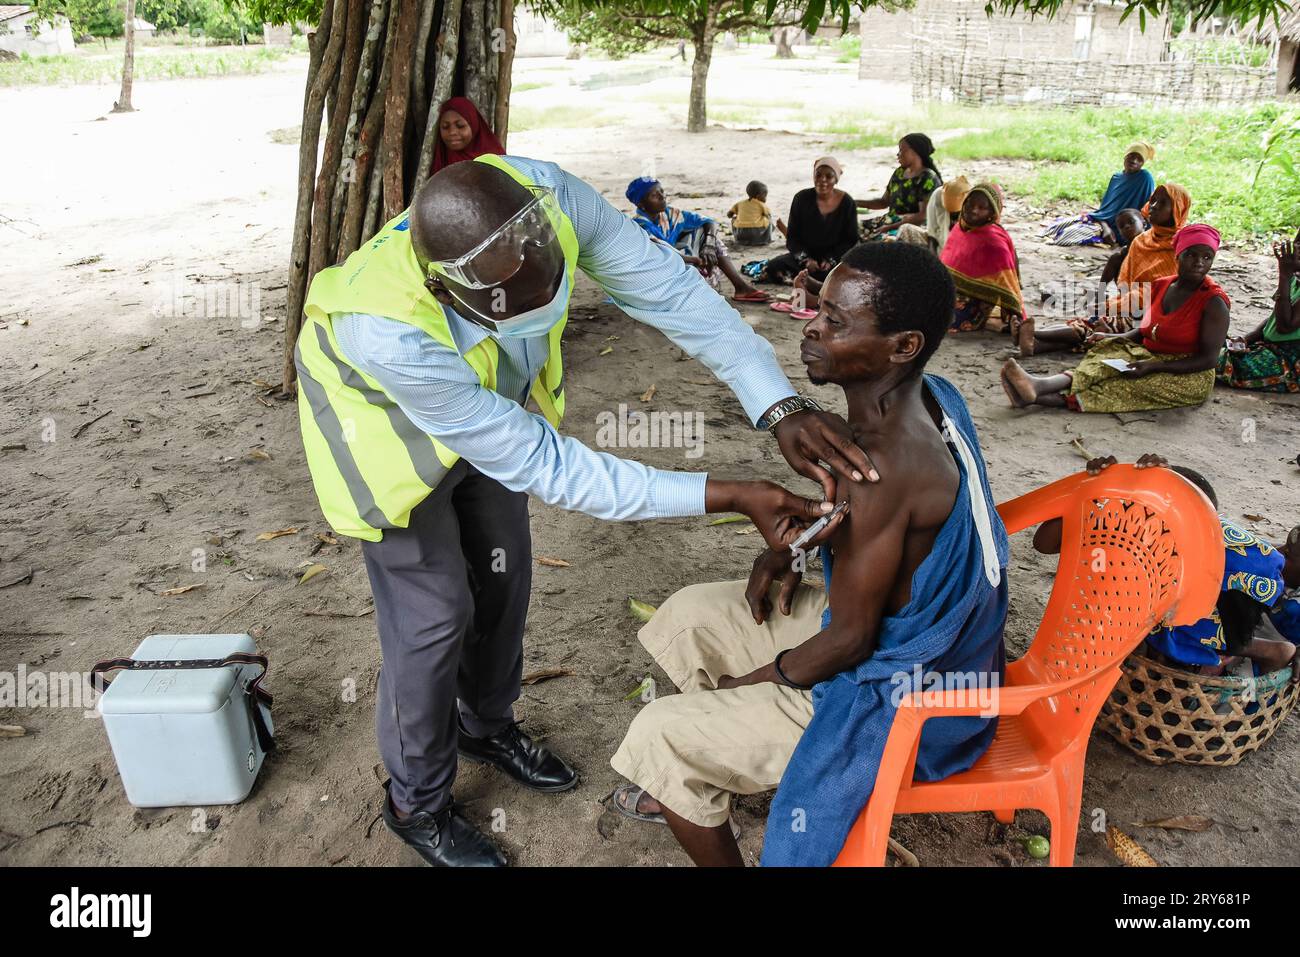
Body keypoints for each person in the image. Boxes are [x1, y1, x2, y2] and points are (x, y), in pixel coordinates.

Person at [295, 152, 880, 867]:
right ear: (452, 292)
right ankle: (416, 800)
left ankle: (485, 723)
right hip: (384, 427)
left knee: (505, 571)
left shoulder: (555, 199)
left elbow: (672, 293)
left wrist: (776, 401)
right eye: (517, 307)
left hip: (489, 409)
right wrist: (728, 493)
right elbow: (552, 467)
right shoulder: (385, 331)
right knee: (434, 614)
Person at [607, 242, 1008, 867]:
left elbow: (849, 643)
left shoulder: (885, 461)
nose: (812, 328)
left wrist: (753, 683)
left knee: (659, 733)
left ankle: (696, 760)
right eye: (819, 307)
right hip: (928, 645)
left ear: (903, 346)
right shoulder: (934, 396)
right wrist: (799, 550)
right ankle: (724, 760)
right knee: (690, 614)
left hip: (911, 702)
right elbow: (900, 539)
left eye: (837, 323)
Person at [1033, 454, 1299, 680]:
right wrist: (1095, 489)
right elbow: (1043, 542)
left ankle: (1246, 652)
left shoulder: (1212, 562)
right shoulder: (1119, 523)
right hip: (1156, 611)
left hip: (1196, 622)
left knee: (1176, 632)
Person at [1001, 223, 1228, 414]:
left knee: (1127, 385)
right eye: (1192, 255)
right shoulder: (1163, 285)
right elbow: (1146, 329)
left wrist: (1154, 367)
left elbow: (1208, 360)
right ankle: (1038, 387)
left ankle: (1036, 395)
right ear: (1178, 255)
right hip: (1152, 354)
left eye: (1207, 257)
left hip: (1188, 373)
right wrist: (1114, 337)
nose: (1199, 262)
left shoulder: (1213, 302)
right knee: (1103, 357)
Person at [1029, 183, 1191, 355]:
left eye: (1163, 203)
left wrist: (1117, 305)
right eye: (1153, 201)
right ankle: (1035, 345)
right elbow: (1126, 283)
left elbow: (1169, 293)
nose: (1154, 206)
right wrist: (1118, 303)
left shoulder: (1183, 247)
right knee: (1097, 323)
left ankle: (1033, 334)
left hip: (1157, 315)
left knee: (1095, 324)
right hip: (1131, 305)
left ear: (1178, 208)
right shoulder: (1141, 241)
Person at [626, 176, 770, 302]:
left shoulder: (669, 214)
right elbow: (662, 257)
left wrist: (709, 244)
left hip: (676, 261)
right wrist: (695, 260)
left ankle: (741, 288)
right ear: (641, 204)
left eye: (662, 192)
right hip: (654, 276)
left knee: (704, 233)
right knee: (687, 265)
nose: (662, 197)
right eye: (654, 195)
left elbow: (709, 222)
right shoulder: (640, 226)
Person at [939, 182, 1026, 345]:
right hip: (949, 291)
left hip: (972, 305)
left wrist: (1016, 313)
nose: (974, 210)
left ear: (991, 213)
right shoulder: (960, 228)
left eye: (981, 207)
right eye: (970, 204)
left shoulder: (993, 242)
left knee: (934, 316)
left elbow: (1008, 284)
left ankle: (1013, 327)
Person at [1218, 226, 1300, 393]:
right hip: (1271, 347)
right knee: (1217, 341)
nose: (1297, 250)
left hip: (1290, 362)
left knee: (1217, 360)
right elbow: (1273, 319)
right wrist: (1246, 339)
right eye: (1298, 243)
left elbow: (1285, 326)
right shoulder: (1295, 278)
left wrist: (1284, 275)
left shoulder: (1289, 276)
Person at [761, 156, 859, 285]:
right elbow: (793, 238)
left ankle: (811, 280)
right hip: (806, 257)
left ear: (836, 179)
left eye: (829, 176)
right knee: (773, 267)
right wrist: (806, 260)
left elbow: (850, 240)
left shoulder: (847, 202)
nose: (822, 180)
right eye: (818, 175)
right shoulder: (801, 198)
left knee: (847, 273)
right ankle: (815, 281)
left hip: (834, 259)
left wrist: (830, 260)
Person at [1042, 142, 1157, 247]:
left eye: (1139, 159)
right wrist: (1105, 227)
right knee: (1058, 226)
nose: (1134, 161)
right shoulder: (1116, 178)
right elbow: (1104, 211)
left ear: (1143, 163)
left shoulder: (1144, 178)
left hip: (1124, 228)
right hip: (1102, 222)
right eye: (1132, 156)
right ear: (1125, 156)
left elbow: (1146, 214)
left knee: (1070, 235)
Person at [857, 133, 943, 240]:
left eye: (902, 150)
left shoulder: (928, 178)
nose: (898, 154)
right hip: (891, 221)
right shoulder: (899, 173)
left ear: (915, 152)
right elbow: (883, 202)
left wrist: (890, 227)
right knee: (853, 228)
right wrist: (854, 203)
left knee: (885, 241)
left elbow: (922, 216)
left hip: (910, 227)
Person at [429, 96, 504, 175]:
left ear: (474, 126)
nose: (452, 132)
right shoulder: (438, 158)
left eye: (460, 126)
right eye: (445, 127)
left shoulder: (494, 160)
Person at [896, 174, 969, 253]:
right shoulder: (937, 195)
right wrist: (933, 259)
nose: (951, 214)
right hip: (939, 243)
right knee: (906, 229)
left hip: (959, 251)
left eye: (955, 213)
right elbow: (932, 233)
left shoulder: (973, 206)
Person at [1099, 209, 1149, 285]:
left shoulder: (1155, 247)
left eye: (1131, 222)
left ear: (1144, 223)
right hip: (1129, 293)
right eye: (1121, 226)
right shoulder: (1120, 257)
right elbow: (1103, 283)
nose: (1127, 226)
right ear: (1120, 233)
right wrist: (1100, 294)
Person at [728, 180, 774, 246]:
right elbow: (768, 214)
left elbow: (729, 214)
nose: (766, 198)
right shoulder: (761, 204)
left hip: (740, 232)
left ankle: (738, 240)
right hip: (756, 232)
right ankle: (767, 239)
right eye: (765, 196)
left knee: (734, 219)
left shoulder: (740, 203)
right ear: (758, 196)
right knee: (769, 219)